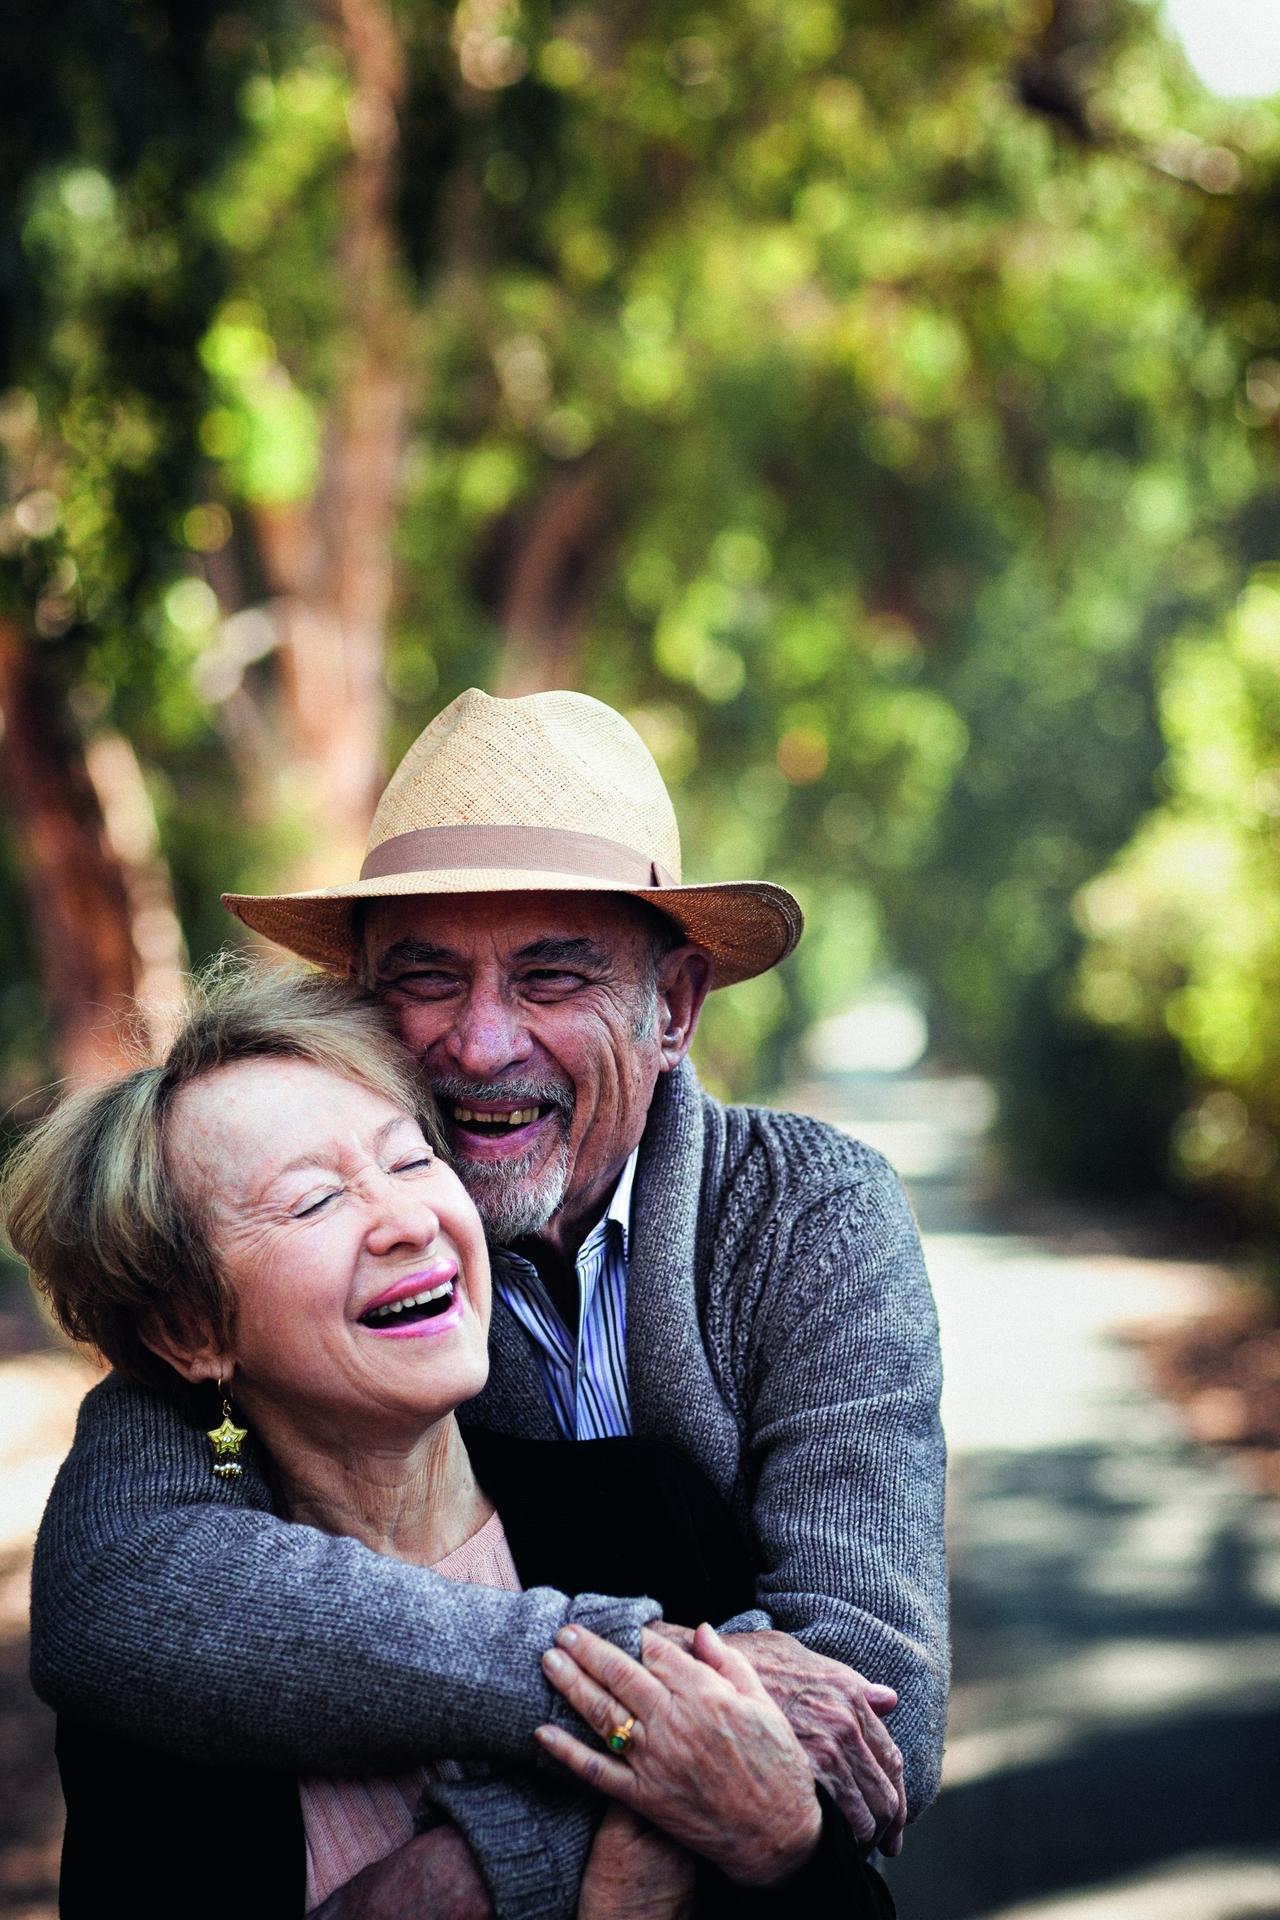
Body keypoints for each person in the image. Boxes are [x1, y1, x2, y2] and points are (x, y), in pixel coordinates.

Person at [29, 688, 948, 1917]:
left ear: (672, 1007)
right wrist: (637, 1687)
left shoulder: (806, 1215)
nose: (476, 1042)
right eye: (425, 979)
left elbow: (860, 1716)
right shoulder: (271, 1306)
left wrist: (451, 1880)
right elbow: (122, 1585)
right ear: (362, 994)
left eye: (550, 977)